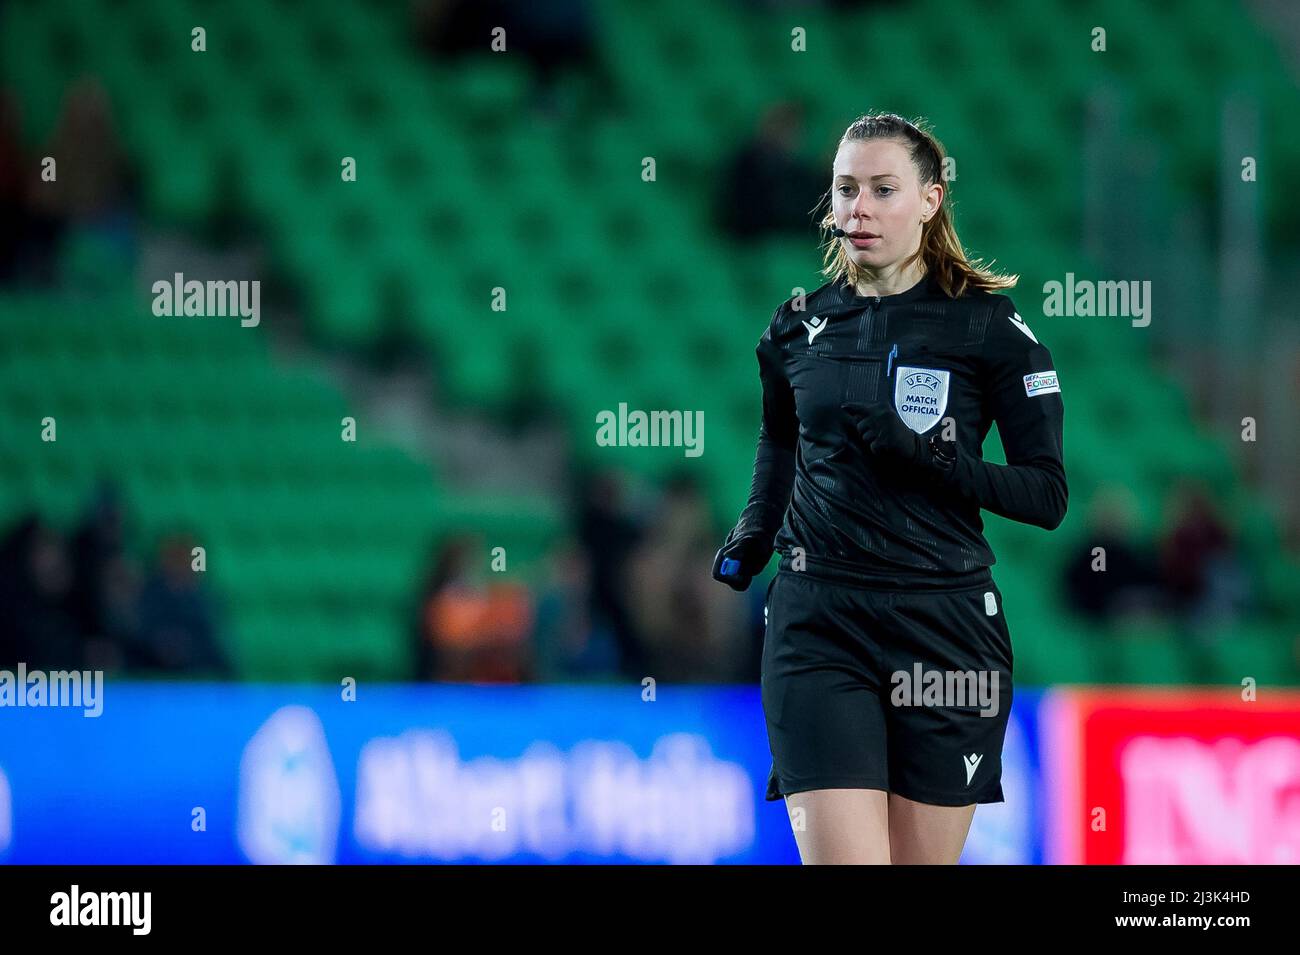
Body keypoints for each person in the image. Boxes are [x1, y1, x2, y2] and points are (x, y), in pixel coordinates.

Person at [712, 112, 1067, 864]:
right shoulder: (795, 328)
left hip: (945, 630)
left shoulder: (992, 329)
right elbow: (781, 437)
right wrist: (755, 525)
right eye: (845, 189)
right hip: (818, 623)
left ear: (931, 201)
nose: (858, 208)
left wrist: (930, 457)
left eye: (882, 189)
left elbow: (1046, 496)